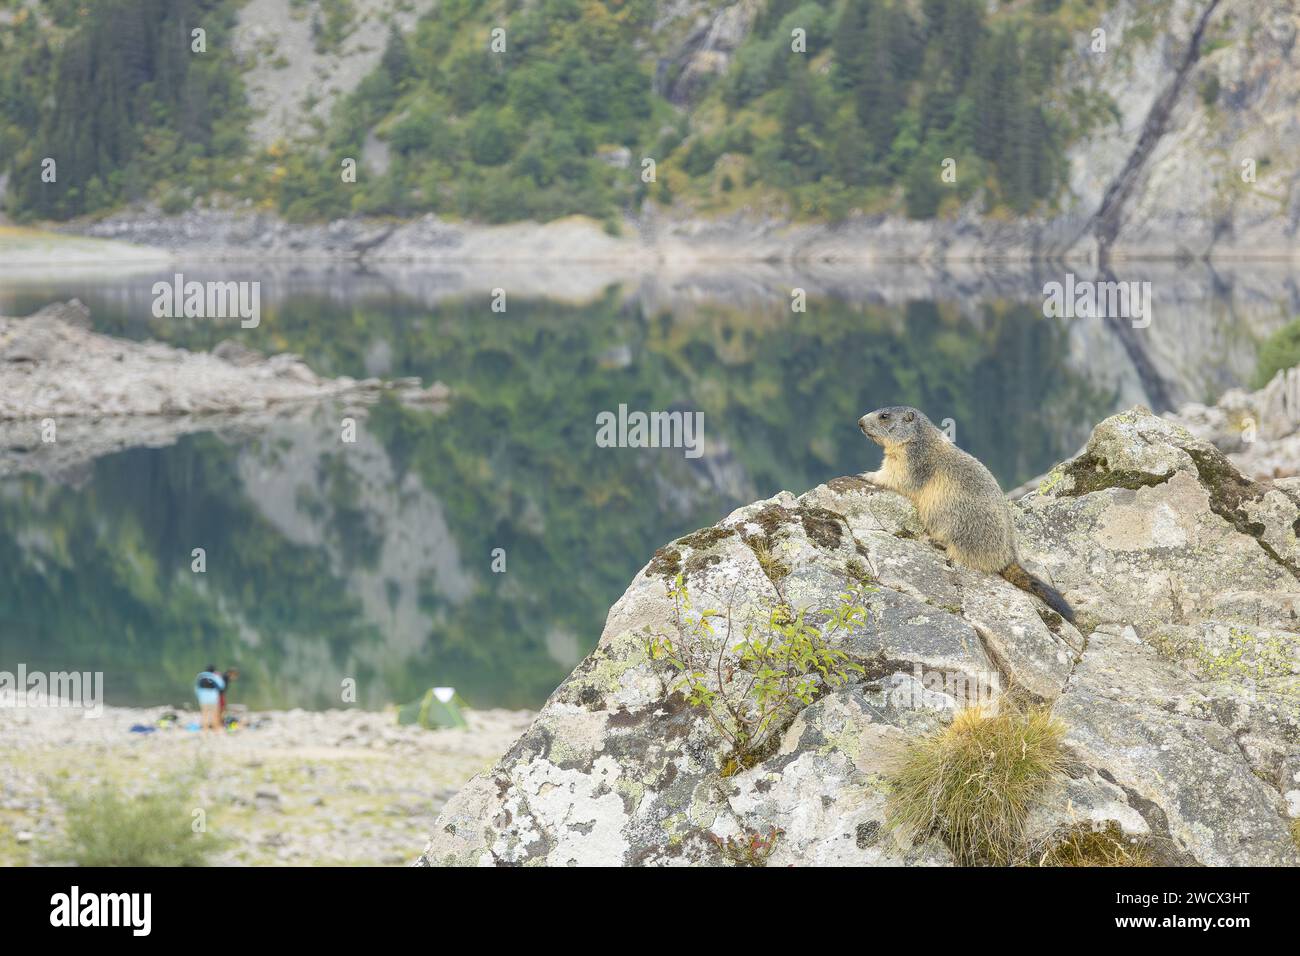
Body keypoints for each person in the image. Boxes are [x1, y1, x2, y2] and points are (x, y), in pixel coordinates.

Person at [194, 666, 227, 734]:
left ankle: (204, 730)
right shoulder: (215, 676)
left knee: (204, 714)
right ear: (214, 671)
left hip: (203, 699)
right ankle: (216, 730)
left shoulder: (201, 676)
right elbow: (222, 686)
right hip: (213, 699)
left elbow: (196, 688)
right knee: (215, 715)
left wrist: (199, 696)